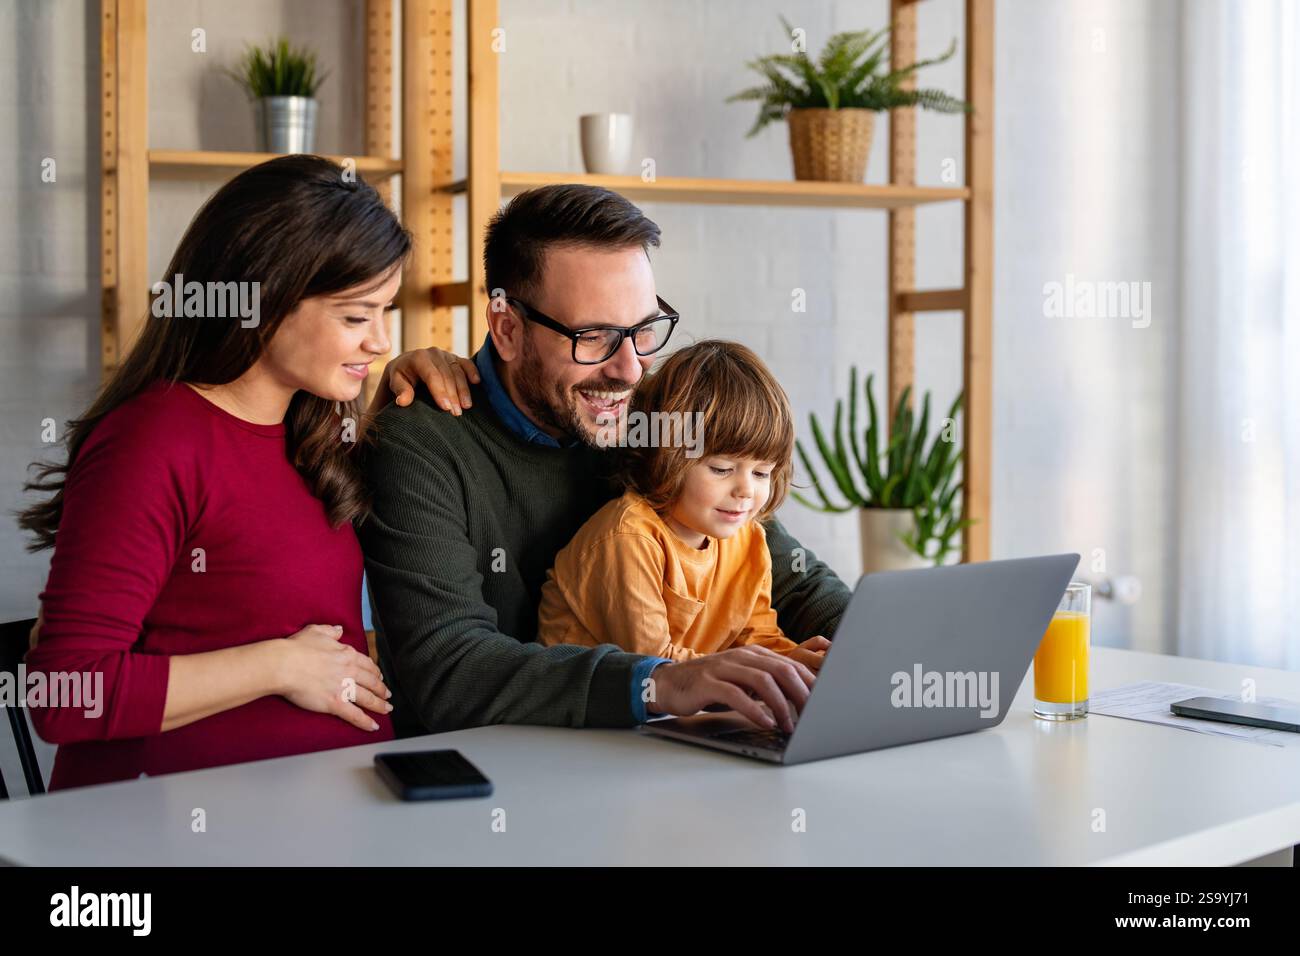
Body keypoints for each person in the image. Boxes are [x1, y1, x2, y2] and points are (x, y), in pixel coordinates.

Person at [360, 184, 851, 737]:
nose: (632, 370)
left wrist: (871, 654)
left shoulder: (648, 416)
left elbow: (788, 577)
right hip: (487, 782)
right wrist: (660, 683)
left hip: (655, 761)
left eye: (643, 330)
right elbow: (450, 671)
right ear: (508, 329)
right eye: (594, 337)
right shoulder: (420, 443)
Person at [19, 155, 406, 788]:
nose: (381, 341)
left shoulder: (315, 432)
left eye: (386, 312)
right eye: (357, 316)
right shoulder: (154, 441)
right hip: (173, 831)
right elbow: (67, 692)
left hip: (332, 815)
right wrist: (280, 666)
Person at [537, 339, 831, 669]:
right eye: (722, 469)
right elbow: (654, 667)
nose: (746, 490)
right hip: (585, 712)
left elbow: (757, 638)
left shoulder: (748, 540)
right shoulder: (629, 538)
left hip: (679, 711)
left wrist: (799, 662)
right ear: (667, 455)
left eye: (763, 473)